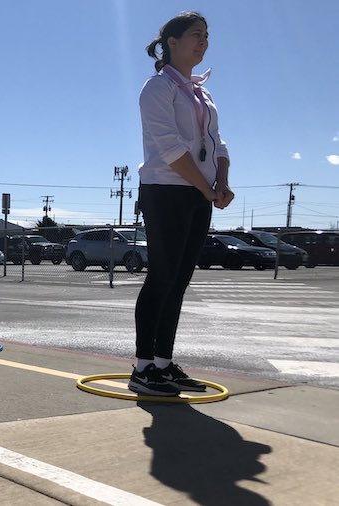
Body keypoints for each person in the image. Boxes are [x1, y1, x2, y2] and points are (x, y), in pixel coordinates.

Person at [131, 11, 234, 396]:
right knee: (161, 275)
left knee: (180, 280)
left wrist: (221, 182)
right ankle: (143, 367)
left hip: (198, 192)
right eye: (196, 34)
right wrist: (207, 189)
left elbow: (218, 144)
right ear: (172, 42)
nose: (203, 41)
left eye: (207, 35)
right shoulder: (158, 88)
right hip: (165, 191)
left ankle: (163, 363)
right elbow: (171, 149)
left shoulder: (203, 93)